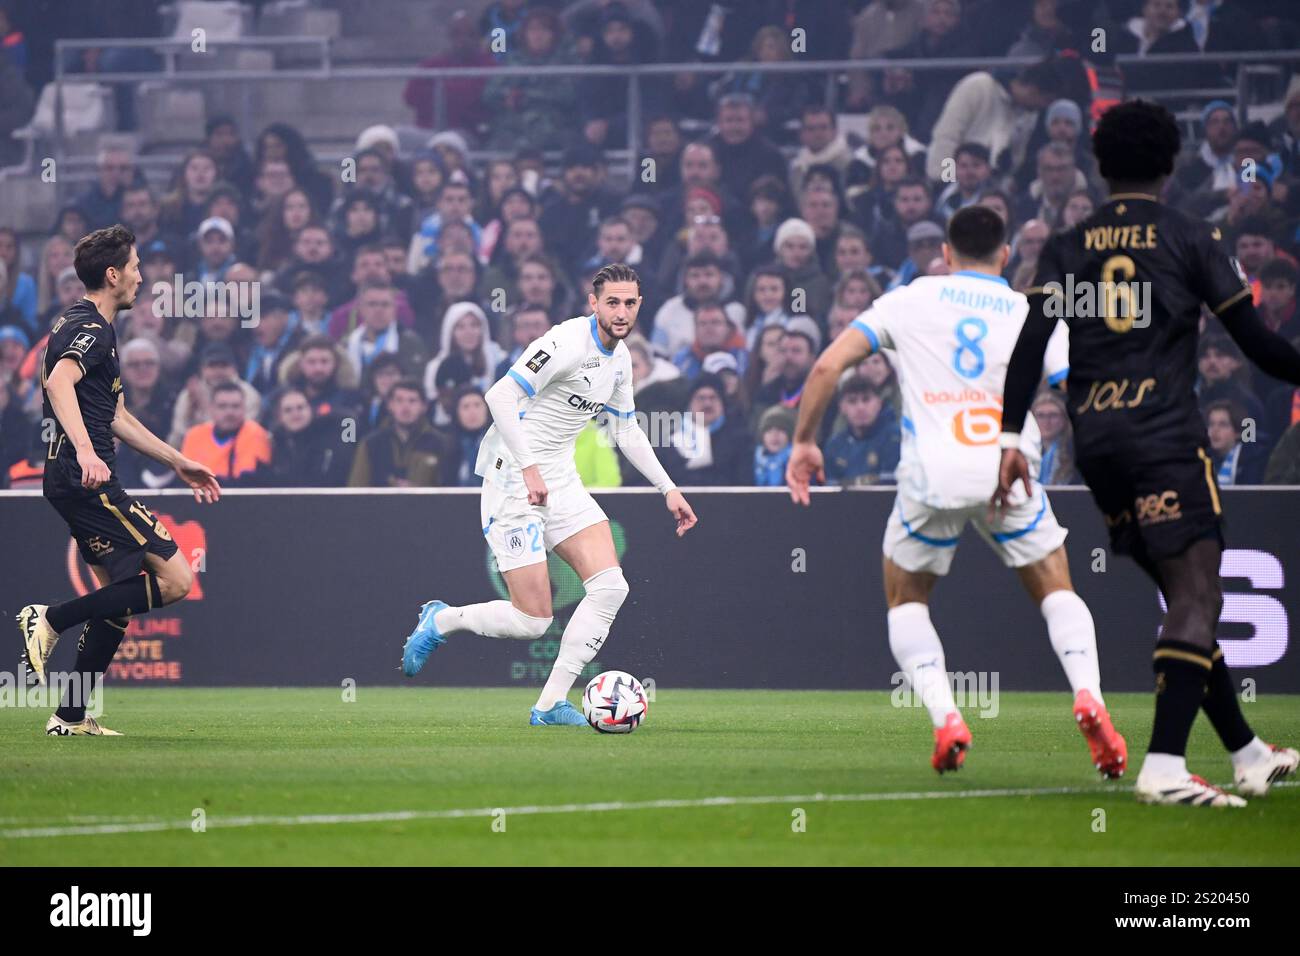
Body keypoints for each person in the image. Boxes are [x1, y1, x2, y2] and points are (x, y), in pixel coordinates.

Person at [995, 100, 1300, 807]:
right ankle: (1164, 767)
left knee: (1182, 593)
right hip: (1164, 435)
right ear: (1170, 164)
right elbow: (1255, 341)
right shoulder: (1191, 236)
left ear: (1099, 167)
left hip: (1097, 444)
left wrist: (1010, 438)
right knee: (1197, 593)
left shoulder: (1067, 246)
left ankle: (1248, 753)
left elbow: (1029, 351)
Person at [787, 206, 1125, 779]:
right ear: (1007, 255)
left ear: (946, 254)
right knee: (1055, 589)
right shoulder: (1032, 310)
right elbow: (1081, 391)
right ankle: (1089, 697)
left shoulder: (909, 298)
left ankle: (947, 719)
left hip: (933, 475)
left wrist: (804, 444)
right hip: (1006, 463)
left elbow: (825, 368)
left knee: (908, 599)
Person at [400, 264, 697, 726]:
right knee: (533, 620)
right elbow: (499, 397)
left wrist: (668, 488)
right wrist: (529, 467)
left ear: (640, 305)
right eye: (612, 302)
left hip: (558, 477)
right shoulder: (564, 343)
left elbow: (625, 429)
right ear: (593, 302)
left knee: (611, 587)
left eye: (630, 303)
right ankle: (442, 620)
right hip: (514, 478)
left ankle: (548, 706)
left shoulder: (620, 361)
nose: (621, 312)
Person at [16, 225, 221, 736]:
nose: (140, 276)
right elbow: (58, 380)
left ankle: (70, 716)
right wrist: (86, 452)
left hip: (72, 477)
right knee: (176, 580)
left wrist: (178, 460)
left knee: (119, 597)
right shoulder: (90, 327)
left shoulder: (88, 326)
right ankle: (51, 618)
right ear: (112, 275)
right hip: (83, 478)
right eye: (133, 267)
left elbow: (117, 416)